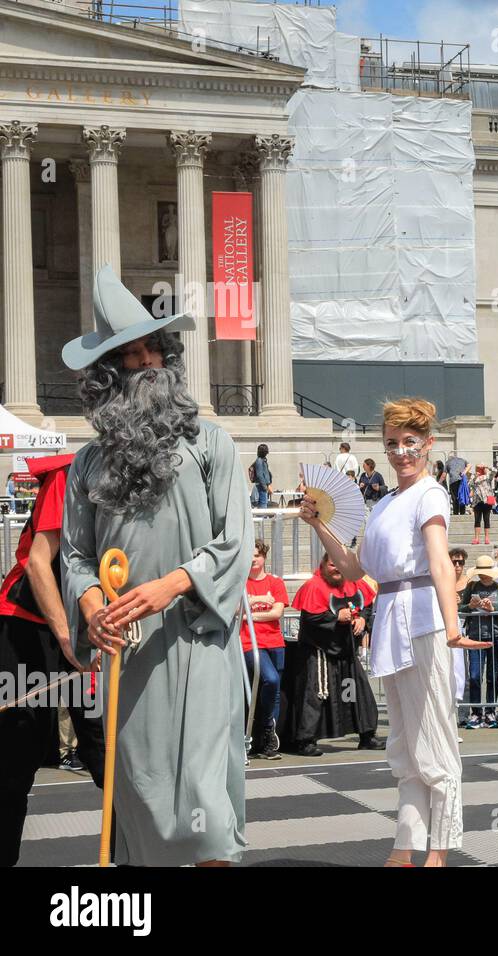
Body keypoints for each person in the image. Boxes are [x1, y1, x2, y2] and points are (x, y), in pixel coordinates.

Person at [61, 265, 253, 866]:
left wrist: (172, 586)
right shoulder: (87, 463)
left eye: (151, 350)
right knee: (140, 799)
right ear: (105, 375)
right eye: (127, 356)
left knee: (205, 800)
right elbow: (76, 555)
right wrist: (94, 609)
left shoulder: (211, 445)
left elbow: (235, 544)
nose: (144, 363)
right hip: (132, 657)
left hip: (198, 644)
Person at [300, 397, 489, 867]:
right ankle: (405, 847)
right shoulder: (384, 502)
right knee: (404, 742)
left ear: (428, 445)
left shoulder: (431, 493)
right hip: (392, 614)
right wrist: (320, 525)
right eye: (392, 443)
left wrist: (451, 625)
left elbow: (441, 560)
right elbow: (352, 566)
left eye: (409, 442)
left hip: (423, 615)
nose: (401, 452)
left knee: (435, 739)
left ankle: (439, 853)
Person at [0, 452, 106, 867]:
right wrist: (68, 640)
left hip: (87, 623)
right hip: (29, 626)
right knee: (15, 761)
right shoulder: (72, 473)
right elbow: (37, 563)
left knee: (108, 751)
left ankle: (133, 859)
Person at [282, 554, 382, 756]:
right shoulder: (314, 586)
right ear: (324, 565)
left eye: (339, 565)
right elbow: (311, 617)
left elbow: (367, 605)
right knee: (315, 697)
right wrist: (336, 617)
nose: (336, 569)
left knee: (359, 694)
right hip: (319, 652)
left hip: (346, 652)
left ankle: (367, 735)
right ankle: (306, 740)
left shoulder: (355, 583)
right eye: (332, 564)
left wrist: (362, 619)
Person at [242, 539, 287, 760]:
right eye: (250, 556)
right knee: (270, 679)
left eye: (257, 555)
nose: (253, 560)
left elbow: (277, 613)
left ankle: (269, 737)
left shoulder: (275, 582)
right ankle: (264, 729)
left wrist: (249, 614)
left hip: (275, 641)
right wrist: (260, 600)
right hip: (250, 642)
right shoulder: (241, 583)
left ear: (264, 557)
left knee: (274, 690)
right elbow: (235, 612)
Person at [459, 556, 498, 728]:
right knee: (474, 676)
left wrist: (493, 609)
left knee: (492, 676)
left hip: (496, 636)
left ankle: (490, 711)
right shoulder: (471, 586)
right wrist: (471, 607)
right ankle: (475, 712)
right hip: (475, 636)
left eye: (486, 573)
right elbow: (461, 609)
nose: (484, 577)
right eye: (481, 574)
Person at [469, 464, 494, 547]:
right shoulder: (474, 477)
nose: (479, 470)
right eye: (478, 468)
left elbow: (495, 471)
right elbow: (470, 485)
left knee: (486, 519)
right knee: (477, 520)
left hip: (487, 500)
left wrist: (487, 466)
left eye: (480, 468)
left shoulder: (487, 477)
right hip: (477, 501)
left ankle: (487, 538)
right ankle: (476, 538)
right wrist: (475, 477)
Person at [251, 443, 273, 508]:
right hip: (261, 487)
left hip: (262, 487)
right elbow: (260, 475)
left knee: (264, 506)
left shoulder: (263, 460)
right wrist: (265, 487)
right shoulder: (259, 461)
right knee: (263, 507)